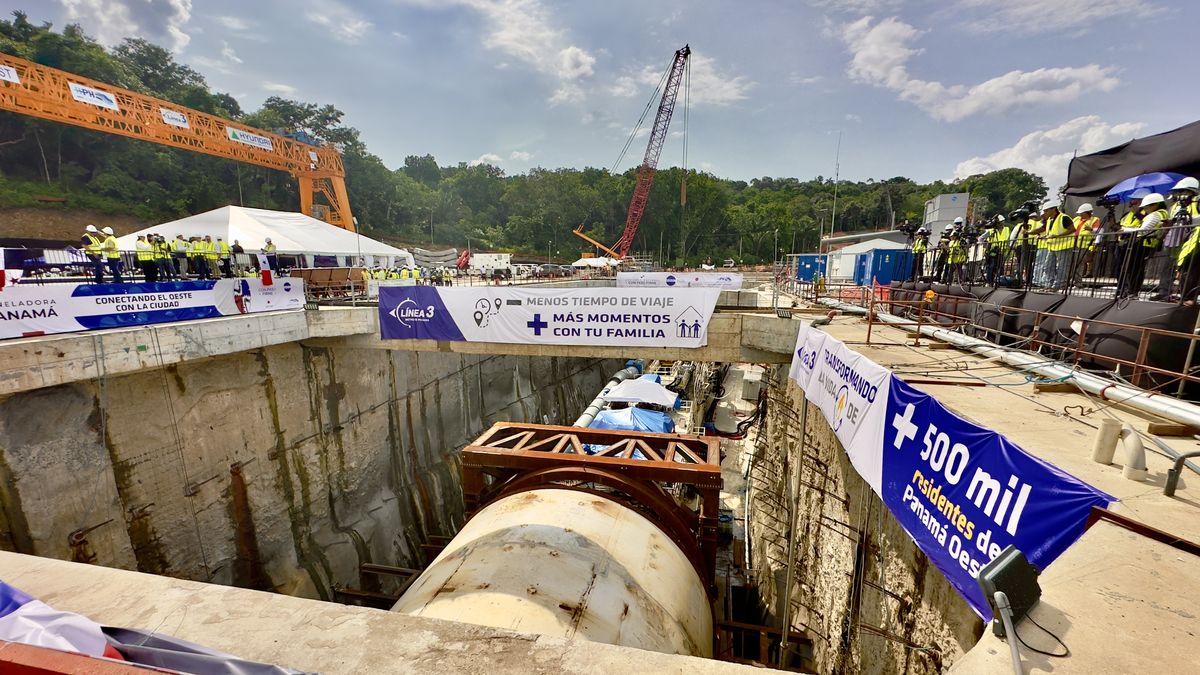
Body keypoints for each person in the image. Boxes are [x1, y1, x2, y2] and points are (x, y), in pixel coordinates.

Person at [1157, 178, 1200, 300]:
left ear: (1191, 192)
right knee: (1168, 267)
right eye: (1178, 192)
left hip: (1191, 241)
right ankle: (1164, 293)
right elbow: (1171, 220)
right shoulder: (1175, 206)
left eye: (1182, 192)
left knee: (1188, 270)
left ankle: (1187, 297)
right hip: (1174, 240)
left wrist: (1189, 220)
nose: (1179, 195)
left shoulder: (1197, 202)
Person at [1118, 192, 1168, 298]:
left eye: (1146, 207)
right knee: (1133, 268)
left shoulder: (1155, 215)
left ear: (1155, 205)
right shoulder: (1159, 214)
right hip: (1144, 243)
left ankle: (1132, 291)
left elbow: (1144, 230)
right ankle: (1131, 291)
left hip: (1143, 244)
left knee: (1135, 268)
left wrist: (1125, 230)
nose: (1145, 209)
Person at [1040, 200, 1074, 289]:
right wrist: (1046, 237)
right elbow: (1052, 232)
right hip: (1052, 247)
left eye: (1046, 210)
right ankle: (1049, 284)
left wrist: (1058, 236)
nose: (1045, 213)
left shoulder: (1064, 217)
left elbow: (1072, 229)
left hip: (1064, 246)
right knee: (1048, 267)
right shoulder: (1050, 220)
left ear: (1053, 209)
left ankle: (1059, 285)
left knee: (1062, 268)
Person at [1073, 204, 1099, 281]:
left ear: (1087, 212)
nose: (1080, 214)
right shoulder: (1076, 219)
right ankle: (1070, 279)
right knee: (1071, 263)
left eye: (1081, 213)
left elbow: (1099, 232)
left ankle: (1077, 281)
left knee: (1079, 263)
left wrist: (1091, 229)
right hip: (1072, 244)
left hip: (1084, 245)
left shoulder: (1094, 220)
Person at [985, 216, 1009, 284]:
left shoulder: (1006, 229)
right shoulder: (992, 231)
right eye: (1000, 223)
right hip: (993, 251)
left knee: (1000, 267)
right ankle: (989, 281)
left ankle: (999, 281)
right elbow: (986, 240)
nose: (1001, 224)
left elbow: (1008, 239)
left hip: (1002, 251)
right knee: (991, 266)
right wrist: (986, 250)